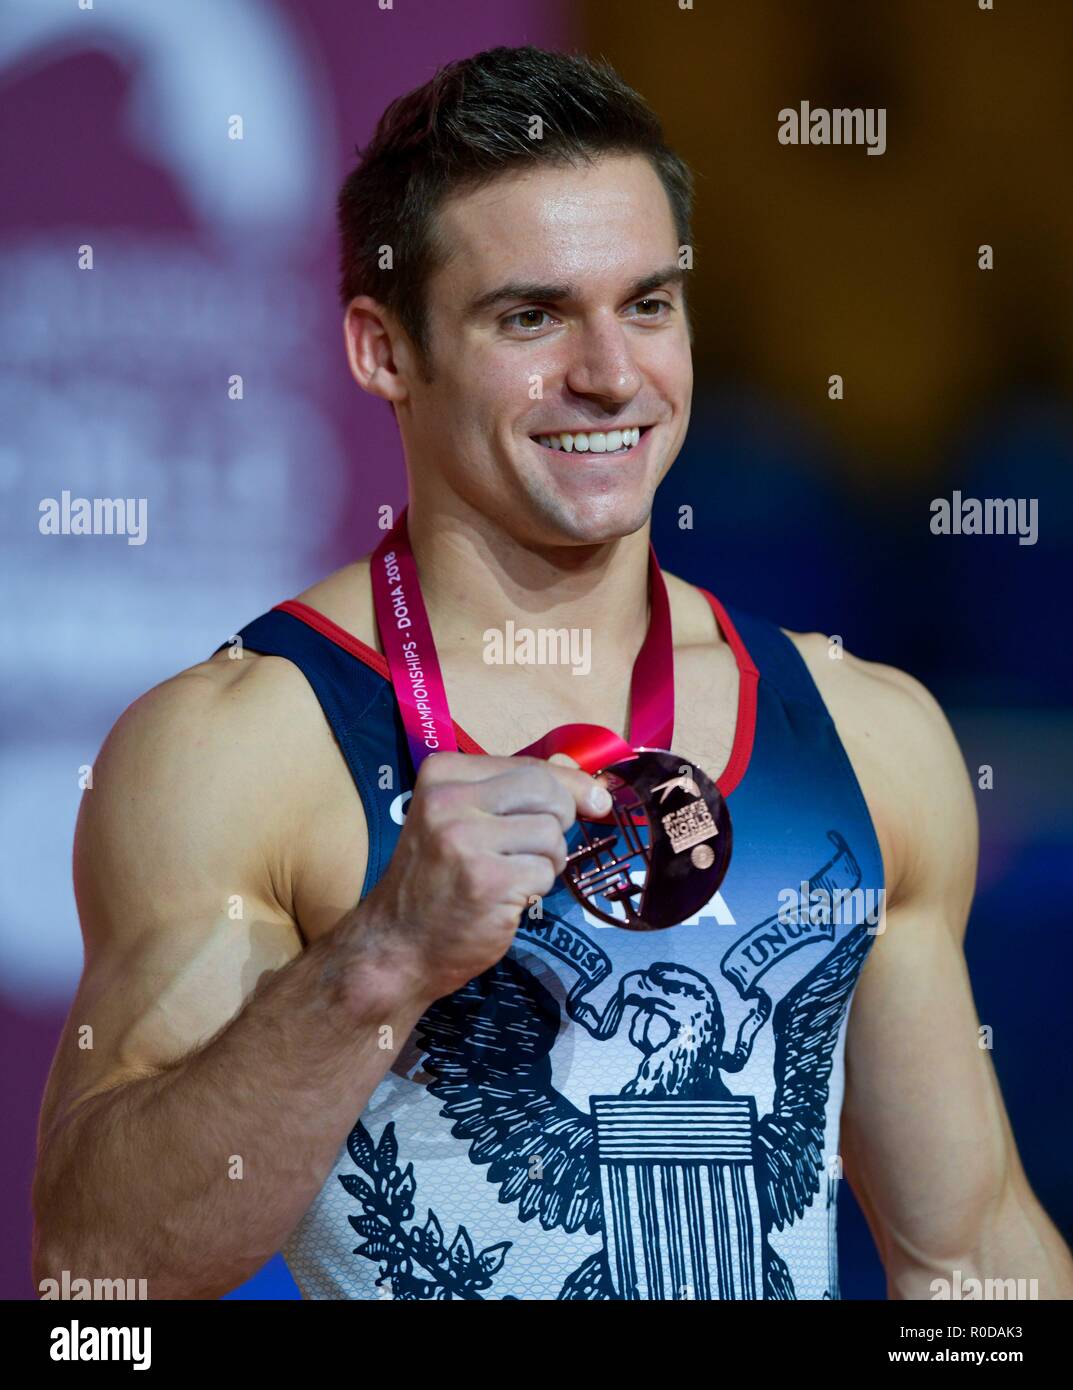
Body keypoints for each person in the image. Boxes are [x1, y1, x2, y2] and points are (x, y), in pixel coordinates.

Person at [32, 45, 1072, 1302]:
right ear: (382, 351)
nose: (611, 374)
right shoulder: (241, 747)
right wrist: (383, 956)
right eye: (530, 316)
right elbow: (99, 1281)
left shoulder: (866, 731)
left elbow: (967, 1266)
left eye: (646, 304)